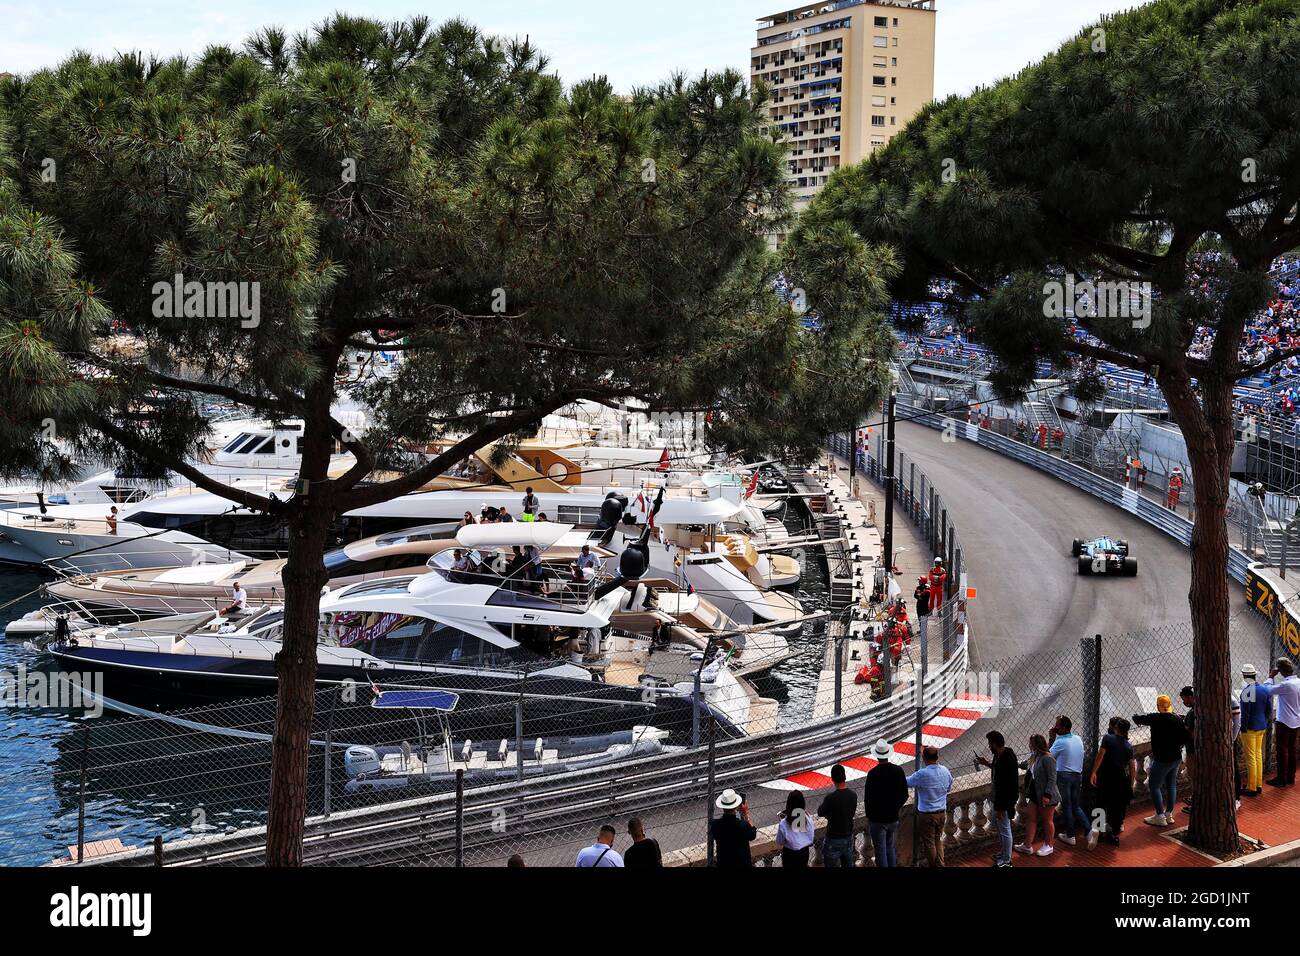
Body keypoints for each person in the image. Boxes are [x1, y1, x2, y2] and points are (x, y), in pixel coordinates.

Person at [1133, 695, 1188, 824]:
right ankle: (1169, 814)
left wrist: (1136, 717)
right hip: (1175, 757)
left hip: (1161, 759)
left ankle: (1160, 815)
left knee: (1154, 785)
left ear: (1158, 706)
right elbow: (1184, 737)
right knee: (1171, 785)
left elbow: (1138, 718)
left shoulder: (1155, 718)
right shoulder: (1177, 719)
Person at [1090, 717, 1136, 845]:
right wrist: (1131, 784)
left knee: (1100, 802)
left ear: (1116, 728)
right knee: (1116, 807)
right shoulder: (1128, 746)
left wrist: (1094, 772)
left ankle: (1097, 830)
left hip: (1105, 777)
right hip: (1120, 780)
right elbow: (1132, 767)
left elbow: (1100, 755)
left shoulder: (1108, 739)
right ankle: (1114, 834)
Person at [858, 740, 905, 867]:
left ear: (877, 756)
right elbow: (904, 795)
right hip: (893, 817)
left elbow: (868, 799)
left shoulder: (872, 774)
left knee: (880, 850)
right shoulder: (898, 771)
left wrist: (870, 816)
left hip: (877, 820)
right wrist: (895, 807)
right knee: (889, 846)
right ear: (888, 754)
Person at [975, 731, 1019, 867]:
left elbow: (1005, 787)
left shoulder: (1006, 759)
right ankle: (1004, 854)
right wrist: (986, 763)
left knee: (1005, 830)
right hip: (999, 800)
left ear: (994, 744)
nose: (989, 747)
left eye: (990, 744)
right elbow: (997, 769)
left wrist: (1000, 807)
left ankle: (1007, 860)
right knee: (1000, 828)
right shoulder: (1000, 755)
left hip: (1003, 802)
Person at [906, 746, 953, 867]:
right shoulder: (945, 770)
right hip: (941, 812)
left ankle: (934, 865)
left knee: (929, 842)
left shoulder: (922, 774)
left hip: (926, 814)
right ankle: (941, 863)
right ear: (937, 757)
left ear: (924, 758)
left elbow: (907, 782)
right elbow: (949, 788)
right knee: (938, 839)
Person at [1049, 715, 1091, 848]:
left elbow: (1048, 757)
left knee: (1067, 806)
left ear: (1063, 728)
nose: (1055, 727)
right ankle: (1089, 831)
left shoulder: (1060, 742)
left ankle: (1070, 835)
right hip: (1077, 775)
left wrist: (1051, 738)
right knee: (1075, 805)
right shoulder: (1078, 738)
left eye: (1057, 725)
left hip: (1064, 776)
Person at [1015, 734, 1059, 857]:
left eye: (1030, 743)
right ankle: (1027, 845)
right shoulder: (1035, 756)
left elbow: (1052, 778)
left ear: (1035, 744)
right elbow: (1025, 764)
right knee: (1031, 817)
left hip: (1047, 795)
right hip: (1036, 793)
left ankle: (1049, 845)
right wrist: (1013, 761)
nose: (1029, 745)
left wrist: (1047, 795)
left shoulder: (1047, 758)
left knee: (1047, 820)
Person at [817, 763, 858, 867]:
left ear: (832, 779)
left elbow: (820, 812)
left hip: (833, 838)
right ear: (844, 777)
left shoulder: (830, 798)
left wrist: (829, 815)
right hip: (848, 836)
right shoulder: (853, 795)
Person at [1240, 665, 1272, 796]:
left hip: (1250, 728)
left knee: (1251, 758)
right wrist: (1263, 720)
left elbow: (1246, 714)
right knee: (1258, 755)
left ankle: (1251, 787)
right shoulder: (1264, 689)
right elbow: (1268, 709)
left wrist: (1244, 727)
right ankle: (1258, 784)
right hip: (1261, 726)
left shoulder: (1247, 691)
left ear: (1244, 676)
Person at [1267, 658, 1300, 786]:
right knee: (1292, 749)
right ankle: (1291, 777)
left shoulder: (1286, 685)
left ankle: (1281, 779)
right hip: (1296, 720)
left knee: (1282, 750)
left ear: (1280, 671)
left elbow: (1268, 690)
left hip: (1284, 721)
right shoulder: (1298, 682)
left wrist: (1271, 677)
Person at [710, 790, 756, 868]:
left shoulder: (715, 825)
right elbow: (752, 835)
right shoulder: (743, 825)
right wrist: (746, 813)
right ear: (736, 806)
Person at [775, 791, 815, 868]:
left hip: (790, 854)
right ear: (803, 803)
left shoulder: (784, 823)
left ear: (788, 805)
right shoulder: (808, 819)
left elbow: (780, 841)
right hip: (804, 852)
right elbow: (811, 835)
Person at [1179, 686, 1196, 810]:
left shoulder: (1192, 713)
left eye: (1184, 699)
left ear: (1190, 697)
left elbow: (1191, 732)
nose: (1184, 702)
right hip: (1200, 749)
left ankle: (1196, 802)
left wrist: (1182, 726)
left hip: (1192, 750)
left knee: (1193, 775)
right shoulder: (1200, 708)